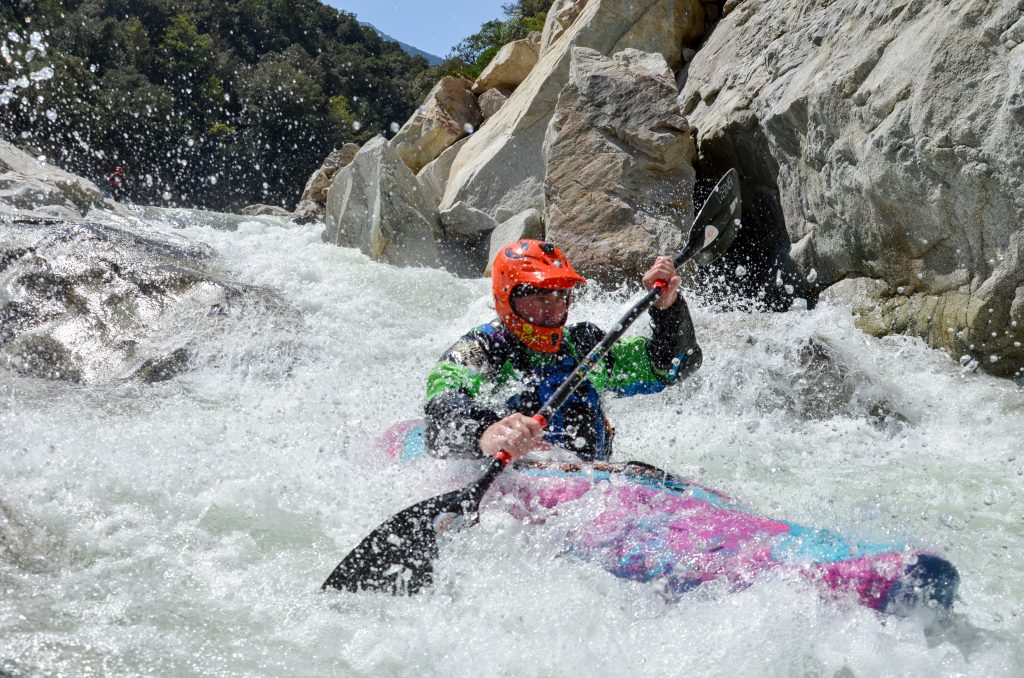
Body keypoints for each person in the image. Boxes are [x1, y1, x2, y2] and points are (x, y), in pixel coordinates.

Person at [424, 239, 702, 463]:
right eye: (538, 297)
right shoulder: (483, 349)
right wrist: (486, 433)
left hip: (590, 488)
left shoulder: (585, 346)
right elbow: (442, 412)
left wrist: (668, 308)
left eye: (559, 296)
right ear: (506, 297)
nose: (553, 309)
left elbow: (673, 368)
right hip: (516, 484)